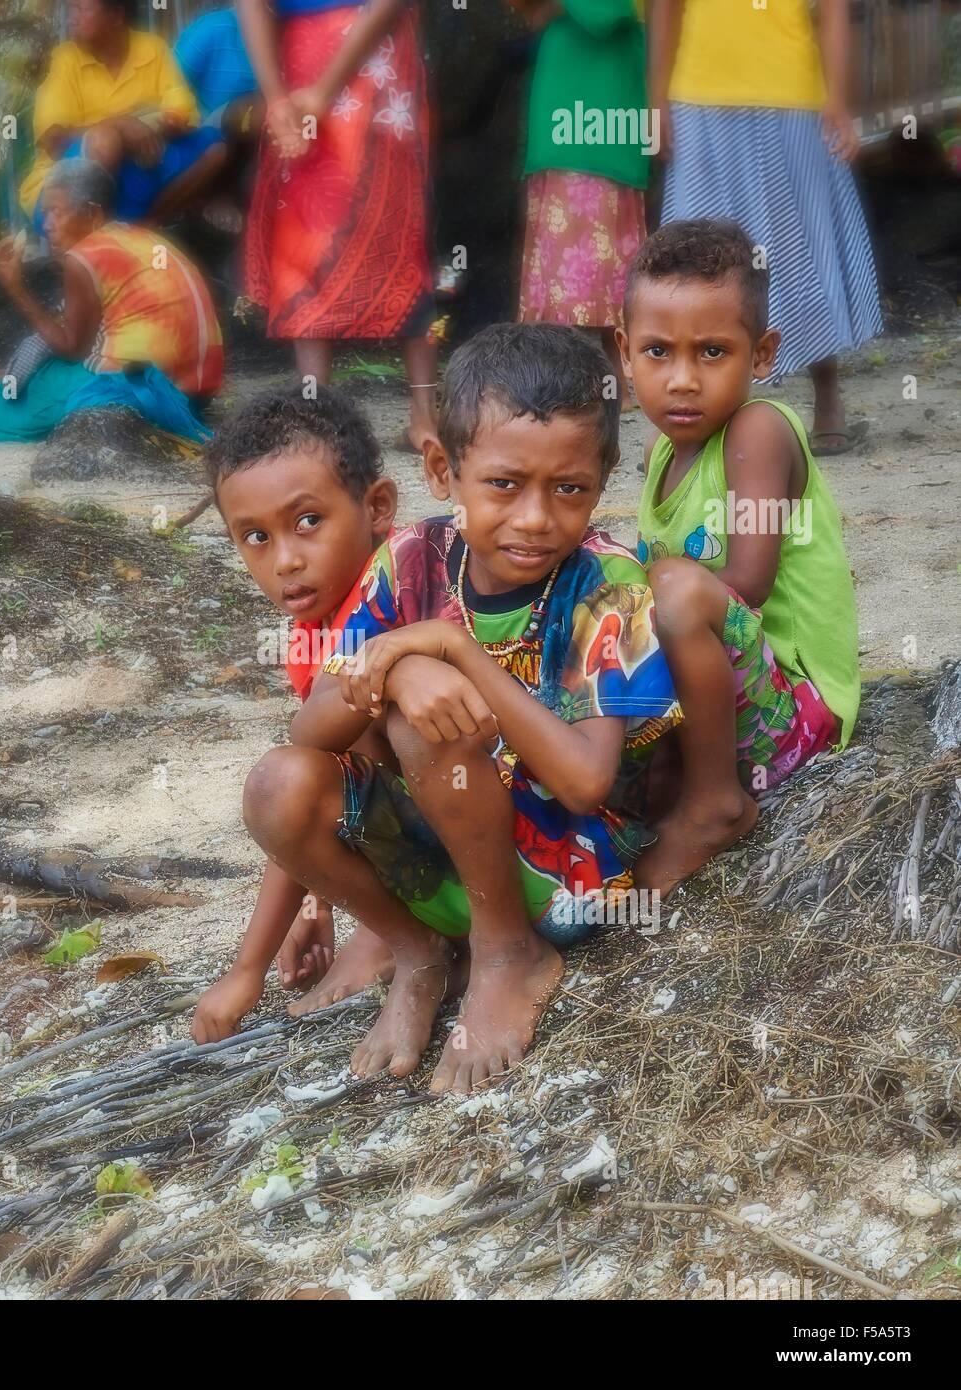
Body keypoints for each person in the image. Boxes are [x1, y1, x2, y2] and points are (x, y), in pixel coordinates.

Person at [238, 324, 682, 1092]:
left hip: (572, 875)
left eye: (568, 488)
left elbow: (586, 782)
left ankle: (509, 953)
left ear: (602, 482)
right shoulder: (409, 560)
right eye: (505, 484)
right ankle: (416, 953)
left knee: (423, 716)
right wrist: (397, 669)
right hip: (446, 856)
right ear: (443, 469)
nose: (537, 518)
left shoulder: (609, 584)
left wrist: (453, 650)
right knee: (278, 783)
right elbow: (308, 731)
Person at [618, 219, 861, 893]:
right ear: (624, 353)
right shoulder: (660, 454)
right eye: (659, 352)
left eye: (713, 352)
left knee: (665, 586)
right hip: (722, 703)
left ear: (762, 354)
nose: (683, 379)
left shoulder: (759, 431)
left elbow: (747, 583)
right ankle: (668, 782)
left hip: (794, 712)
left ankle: (713, 806)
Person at [192, 386, 398, 1042]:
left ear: (378, 508)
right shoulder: (313, 627)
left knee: (353, 726)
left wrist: (245, 971)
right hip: (417, 823)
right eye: (255, 537)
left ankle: (394, 933)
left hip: (490, 824)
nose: (284, 560)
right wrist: (317, 894)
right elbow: (328, 779)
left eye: (307, 521)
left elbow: (337, 766)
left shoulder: (393, 596)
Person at [647, 0, 882, 455]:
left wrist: (837, 98)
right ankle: (684, 413)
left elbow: (834, 10)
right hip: (698, 98)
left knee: (801, 249)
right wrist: (656, 99)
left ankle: (827, 395)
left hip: (791, 98)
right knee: (693, 260)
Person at [238, 0, 439, 453]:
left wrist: (322, 93)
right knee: (305, 225)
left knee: (399, 224)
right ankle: (314, 409)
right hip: (298, 57)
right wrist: (277, 100)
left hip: (375, 53)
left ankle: (424, 415)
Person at [0, 159, 223, 444]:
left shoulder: (82, 257)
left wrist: (16, 289)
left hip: (148, 393)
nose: (47, 226)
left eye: (56, 213)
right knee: (37, 374)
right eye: (45, 215)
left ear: (92, 213)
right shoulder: (140, 237)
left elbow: (73, 347)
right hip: (198, 394)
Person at [511, 0, 650, 409]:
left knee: (601, 262)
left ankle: (611, 384)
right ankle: (574, 383)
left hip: (600, 115)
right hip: (573, 112)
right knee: (571, 263)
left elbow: (604, 15)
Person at [18, 0, 227, 231]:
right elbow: (53, 142)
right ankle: (100, 244)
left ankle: (144, 227)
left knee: (216, 149)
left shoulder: (152, 49)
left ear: (116, 15)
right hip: (64, 191)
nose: (71, 18)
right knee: (105, 139)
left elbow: (184, 116)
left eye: (81, 9)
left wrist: (156, 126)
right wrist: (121, 126)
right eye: (70, 9)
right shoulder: (61, 60)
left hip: (135, 171)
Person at [173, 6, 263, 234]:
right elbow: (165, 86)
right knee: (257, 113)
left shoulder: (292, 31)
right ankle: (216, 194)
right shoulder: (215, 27)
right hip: (207, 128)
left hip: (258, 140)